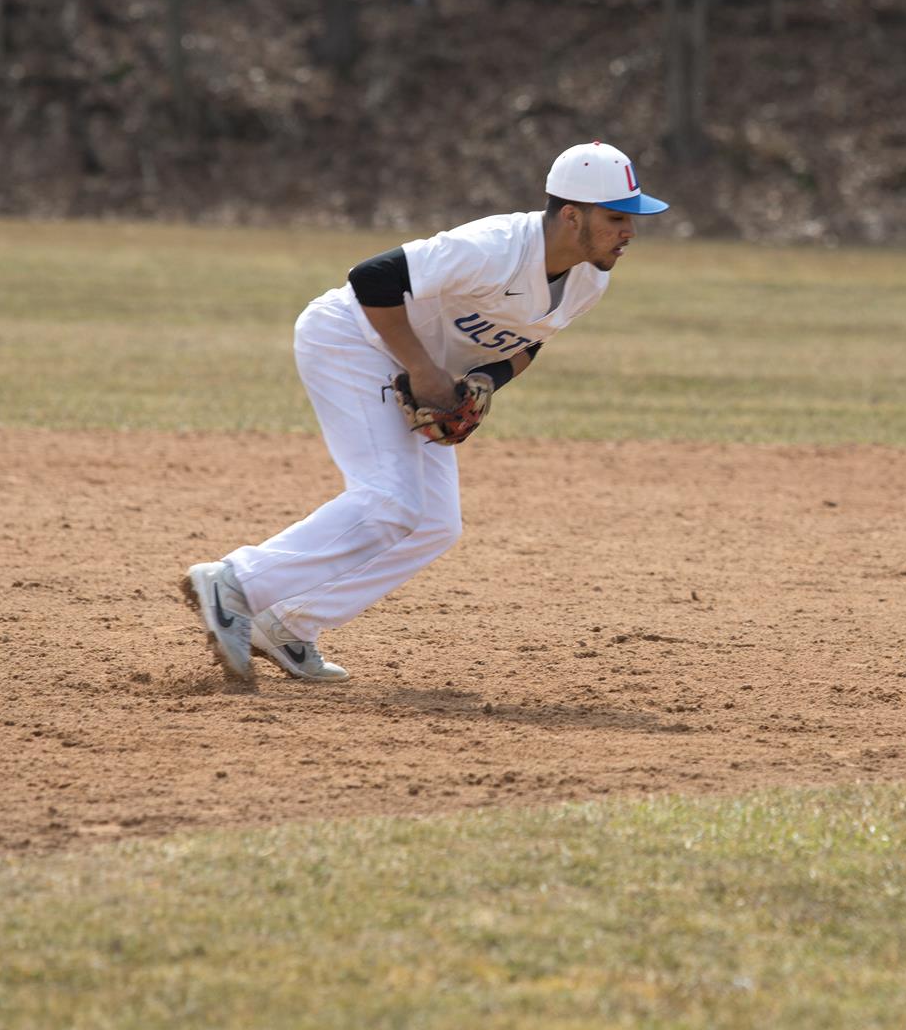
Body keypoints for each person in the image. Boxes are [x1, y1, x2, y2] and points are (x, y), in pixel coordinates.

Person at [183, 142, 670, 686]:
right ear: (572, 215)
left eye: (631, 218)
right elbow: (372, 277)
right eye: (616, 217)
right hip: (352, 338)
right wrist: (423, 369)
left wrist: (486, 381)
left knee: (436, 524)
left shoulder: (589, 279)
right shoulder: (493, 248)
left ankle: (287, 623)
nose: (629, 231)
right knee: (389, 501)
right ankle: (235, 582)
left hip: (416, 367)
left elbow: (529, 342)